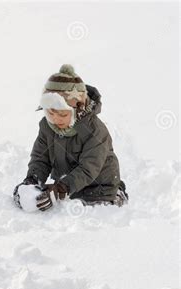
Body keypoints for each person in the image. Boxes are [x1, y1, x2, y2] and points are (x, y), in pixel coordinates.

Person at [13, 64, 128, 212]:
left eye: (62, 114)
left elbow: (88, 169)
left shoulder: (95, 131)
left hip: (99, 188)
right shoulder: (47, 126)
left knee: (93, 212)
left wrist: (61, 188)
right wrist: (33, 180)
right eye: (50, 113)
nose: (55, 119)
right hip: (69, 186)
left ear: (77, 110)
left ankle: (118, 193)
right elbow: (41, 158)